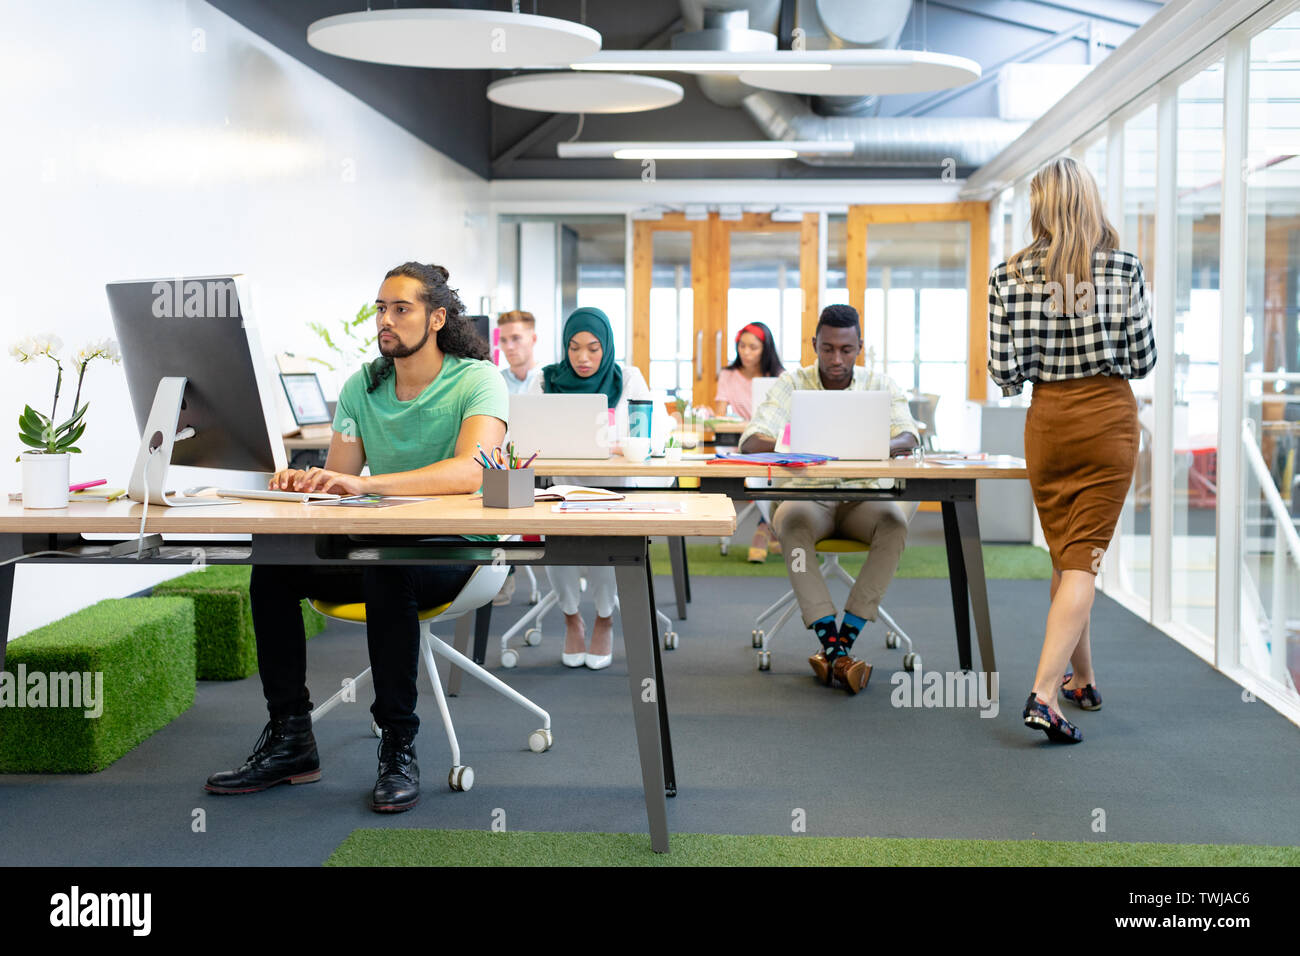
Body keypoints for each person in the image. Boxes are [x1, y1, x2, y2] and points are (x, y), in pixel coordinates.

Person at [205, 262, 508, 811]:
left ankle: (398, 745)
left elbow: (473, 471)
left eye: (401, 309)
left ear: (437, 318)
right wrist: (312, 481)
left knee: (385, 565)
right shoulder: (362, 387)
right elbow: (337, 485)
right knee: (274, 566)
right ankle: (291, 737)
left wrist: (364, 482)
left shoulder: (477, 379)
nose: (384, 321)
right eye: (380, 309)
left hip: (461, 549)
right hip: (381, 546)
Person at [989, 156, 1155, 744]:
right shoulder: (1123, 267)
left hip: (1048, 423)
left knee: (1067, 556)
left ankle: (1081, 678)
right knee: (1083, 559)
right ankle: (1043, 693)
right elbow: (1141, 360)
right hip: (1107, 420)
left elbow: (1004, 374)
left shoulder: (1007, 275)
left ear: (1039, 205)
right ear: (1090, 199)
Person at [740, 304, 920, 695]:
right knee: (792, 523)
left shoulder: (880, 384)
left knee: (894, 523)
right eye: (827, 349)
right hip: (807, 498)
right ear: (814, 345)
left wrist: (876, 445)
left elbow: (909, 436)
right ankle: (837, 648)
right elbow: (752, 440)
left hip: (864, 498)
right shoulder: (792, 383)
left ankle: (839, 646)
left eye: (846, 349)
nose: (836, 359)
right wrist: (797, 445)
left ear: (860, 347)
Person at [528, 306, 652, 670]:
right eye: (574, 347)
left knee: (604, 548)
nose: (583, 358)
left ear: (607, 347)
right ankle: (571, 618)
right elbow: (520, 435)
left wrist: (617, 444)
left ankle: (603, 618)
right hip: (562, 486)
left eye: (593, 348)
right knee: (557, 545)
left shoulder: (627, 379)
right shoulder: (545, 379)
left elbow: (643, 437)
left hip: (614, 489)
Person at [711, 322, 786, 562]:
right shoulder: (728, 375)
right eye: (742, 346)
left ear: (765, 349)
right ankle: (770, 527)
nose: (746, 352)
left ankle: (764, 527)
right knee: (765, 472)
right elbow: (720, 414)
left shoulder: (780, 377)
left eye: (753, 347)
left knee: (774, 469)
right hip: (740, 446)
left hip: (769, 445)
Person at [497, 309, 540, 394]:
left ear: (533, 339)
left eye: (516, 338)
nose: (509, 347)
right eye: (503, 340)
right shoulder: (495, 382)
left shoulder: (550, 380)